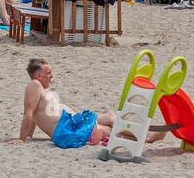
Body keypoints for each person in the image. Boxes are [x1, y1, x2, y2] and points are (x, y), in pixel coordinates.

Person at [11, 58, 165, 148]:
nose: (52, 76)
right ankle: (147, 137)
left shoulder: (40, 88)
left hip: (71, 123)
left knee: (110, 117)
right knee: (105, 129)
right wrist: (22, 138)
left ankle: (144, 133)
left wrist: (30, 136)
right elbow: (29, 113)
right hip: (66, 130)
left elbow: (36, 114)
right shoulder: (34, 85)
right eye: (48, 73)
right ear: (38, 76)